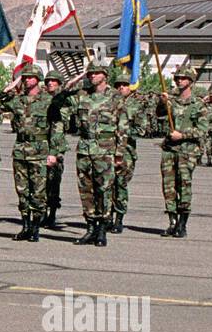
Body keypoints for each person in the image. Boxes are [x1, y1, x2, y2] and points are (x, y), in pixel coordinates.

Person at [0, 62, 66, 243]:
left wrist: (54, 152)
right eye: (24, 77)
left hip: (41, 150)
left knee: (39, 193)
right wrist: (8, 90)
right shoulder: (17, 100)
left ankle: (35, 228)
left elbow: (57, 127)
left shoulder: (49, 101)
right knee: (22, 191)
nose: (27, 80)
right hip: (21, 150)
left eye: (30, 77)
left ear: (38, 80)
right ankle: (25, 225)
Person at [66, 63, 126, 246]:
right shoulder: (82, 94)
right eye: (90, 73)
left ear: (105, 75)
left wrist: (119, 153)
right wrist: (74, 80)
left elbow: (122, 126)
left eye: (96, 73)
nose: (92, 76)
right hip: (85, 148)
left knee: (104, 190)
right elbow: (61, 94)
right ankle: (90, 227)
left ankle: (102, 229)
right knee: (86, 190)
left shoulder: (115, 97)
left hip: (105, 148)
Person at [158, 64, 207, 238]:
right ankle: (172, 221)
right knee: (168, 187)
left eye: (183, 78)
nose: (179, 81)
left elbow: (202, 130)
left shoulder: (198, 104)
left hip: (188, 151)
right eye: (177, 78)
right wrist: (162, 103)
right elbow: (158, 115)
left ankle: (182, 223)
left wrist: (182, 135)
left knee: (184, 186)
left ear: (191, 81)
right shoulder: (171, 100)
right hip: (170, 150)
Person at [110, 68, 149, 233]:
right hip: (107, 149)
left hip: (126, 151)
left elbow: (142, 130)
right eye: (118, 85)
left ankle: (119, 218)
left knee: (120, 185)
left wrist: (123, 132)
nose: (121, 88)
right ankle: (106, 217)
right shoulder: (108, 102)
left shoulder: (137, 106)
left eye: (124, 85)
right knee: (106, 185)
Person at [41, 71, 72, 227]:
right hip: (40, 146)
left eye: (53, 81)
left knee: (53, 183)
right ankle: (41, 214)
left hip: (56, 147)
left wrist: (54, 152)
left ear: (59, 83)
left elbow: (61, 125)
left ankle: (51, 214)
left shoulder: (64, 101)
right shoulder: (42, 99)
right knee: (40, 183)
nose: (50, 83)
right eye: (48, 81)